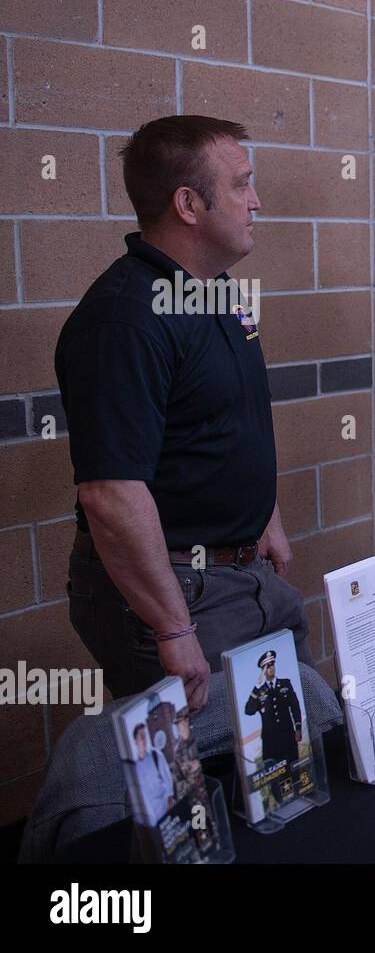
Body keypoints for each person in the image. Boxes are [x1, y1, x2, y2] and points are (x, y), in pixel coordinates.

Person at [55, 116, 308, 712]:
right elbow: (111, 496)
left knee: (285, 769)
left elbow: (227, 419)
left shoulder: (214, 290)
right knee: (206, 784)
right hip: (180, 594)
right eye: (242, 184)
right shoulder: (123, 321)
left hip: (243, 572)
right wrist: (172, 629)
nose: (257, 201)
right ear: (189, 204)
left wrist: (263, 515)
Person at [243, 650, 303, 768]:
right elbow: (249, 711)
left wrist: (298, 727)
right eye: (267, 666)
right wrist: (256, 687)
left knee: (294, 768)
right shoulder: (259, 692)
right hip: (270, 740)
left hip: (287, 735)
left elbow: (295, 706)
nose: (271, 668)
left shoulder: (285, 684)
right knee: (274, 774)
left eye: (272, 665)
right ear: (263, 670)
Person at [129, 723, 173, 826]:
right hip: (151, 816)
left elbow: (168, 778)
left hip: (166, 806)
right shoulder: (134, 769)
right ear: (135, 741)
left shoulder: (155, 755)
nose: (144, 739)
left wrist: (170, 802)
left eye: (145, 735)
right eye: (141, 736)